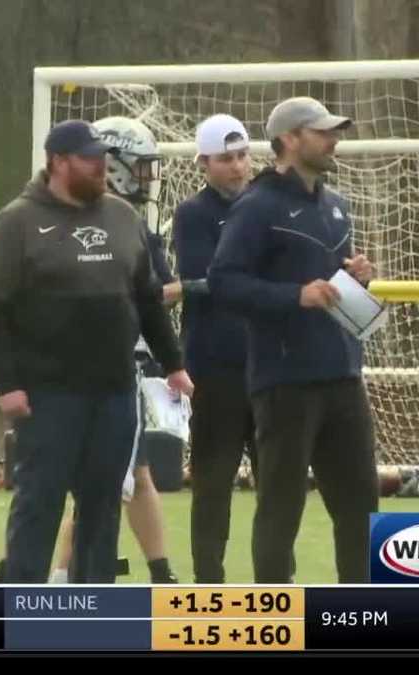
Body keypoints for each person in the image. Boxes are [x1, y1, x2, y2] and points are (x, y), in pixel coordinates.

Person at [0, 119, 193, 584]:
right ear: (58, 162)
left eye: (103, 158)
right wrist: (8, 384)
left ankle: (93, 606)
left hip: (114, 391)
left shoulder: (122, 217)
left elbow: (146, 298)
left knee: (102, 505)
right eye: (89, 159)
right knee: (39, 502)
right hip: (47, 394)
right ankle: (22, 604)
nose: (101, 167)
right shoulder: (17, 222)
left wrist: (174, 364)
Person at [209, 97, 379, 584]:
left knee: (361, 508)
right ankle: (273, 610)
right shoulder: (257, 206)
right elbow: (224, 282)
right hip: (285, 382)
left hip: (343, 375)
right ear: (289, 139)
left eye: (334, 131)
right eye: (322, 132)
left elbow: (329, 282)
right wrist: (295, 296)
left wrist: (357, 277)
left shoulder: (336, 205)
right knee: (281, 509)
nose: (334, 140)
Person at [47, 115, 182, 585]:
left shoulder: (133, 223)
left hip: (128, 362)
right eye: (140, 166)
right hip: (95, 368)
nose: (147, 177)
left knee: (135, 474)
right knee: (105, 482)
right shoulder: (76, 223)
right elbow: (150, 293)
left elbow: (158, 287)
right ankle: (63, 576)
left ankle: (160, 571)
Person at [172, 113, 257, 583]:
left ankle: (278, 578)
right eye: (226, 158)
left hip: (268, 365)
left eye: (242, 156)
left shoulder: (265, 206)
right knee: (213, 481)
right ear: (204, 163)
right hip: (215, 366)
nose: (237, 166)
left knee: (278, 483)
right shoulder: (193, 214)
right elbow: (205, 278)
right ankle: (208, 582)